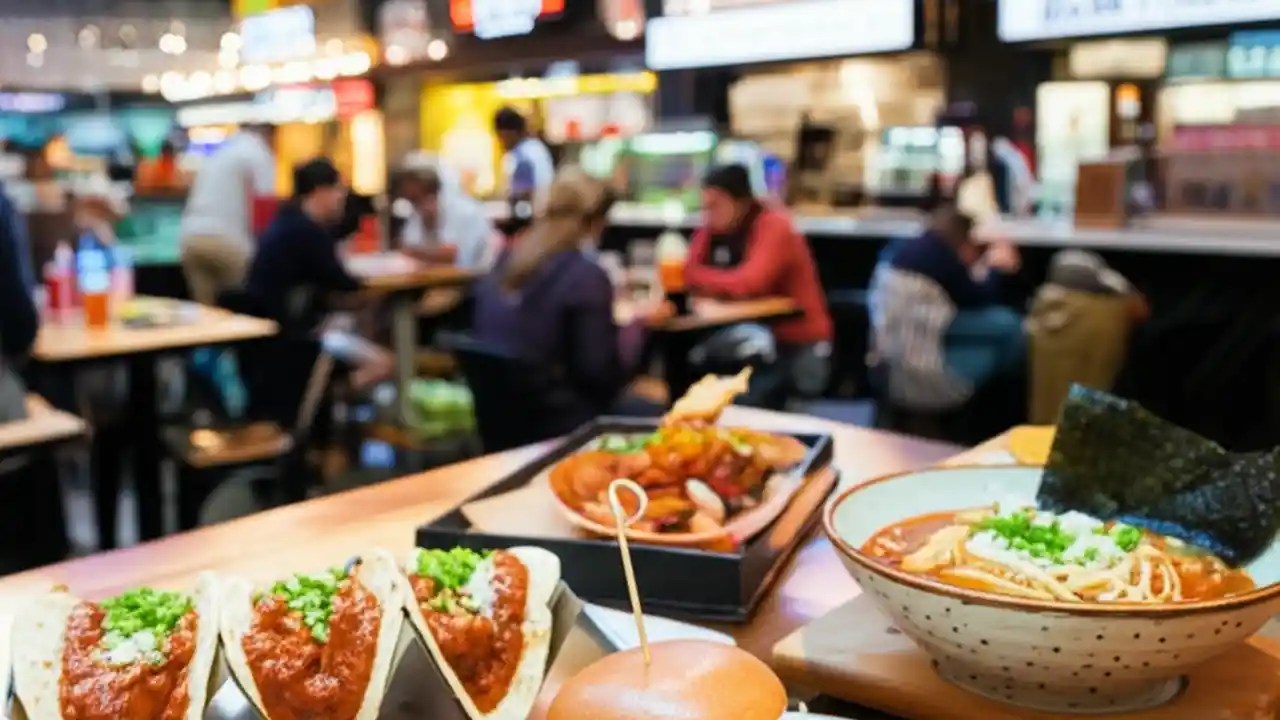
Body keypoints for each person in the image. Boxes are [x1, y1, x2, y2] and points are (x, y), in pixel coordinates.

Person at [472, 168, 669, 432]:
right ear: (596, 221)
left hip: (502, 422)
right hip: (564, 422)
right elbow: (600, 375)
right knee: (658, 408)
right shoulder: (586, 276)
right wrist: (638, 327)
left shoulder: (505, 262)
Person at [684, 164, 833, 409]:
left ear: (741, 202)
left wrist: (702, 278)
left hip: (795, 345)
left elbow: (750, 283)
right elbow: (687, 270)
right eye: (704, 207)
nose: (707, 215)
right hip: (751, 338)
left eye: (715, 206)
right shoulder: (713, 227)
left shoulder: (774, 224)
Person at [869, 204, 1024, 436]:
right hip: (926, 374)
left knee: (1006, 327)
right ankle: (1004, 424)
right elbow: (980, 297)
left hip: (893, 367)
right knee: (1011, 333)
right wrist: (996, 268)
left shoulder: (905, 249)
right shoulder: (941, 257)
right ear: (964, 240)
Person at [245, 159, 392, 394]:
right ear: (321, 191)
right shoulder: (309, 232)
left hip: (271, 344)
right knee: (383, 363)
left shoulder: (284, 223)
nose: (341, 199)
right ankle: (328, 399)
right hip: (300, 343)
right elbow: (345, 284)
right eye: (338, 191)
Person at [180, 123, 276, 305]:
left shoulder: (221, 152)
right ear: (269, 135)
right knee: (248, 305)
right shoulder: (258, 152)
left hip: (190, 238)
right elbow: (264, 207)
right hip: (227, 239)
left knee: (207, 313)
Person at [395, 154, 499, 271]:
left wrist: (422, 252)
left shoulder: (466, 211)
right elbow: (407, 248)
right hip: (432, 278)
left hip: (470, 281)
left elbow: (455, 256)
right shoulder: (418, 210)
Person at [494, 107, 555, 214]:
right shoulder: (536, 147)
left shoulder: (523, 155)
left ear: (510, 134)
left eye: (501, 136)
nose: (500, 142)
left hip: (533, 216)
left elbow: (522, 193)